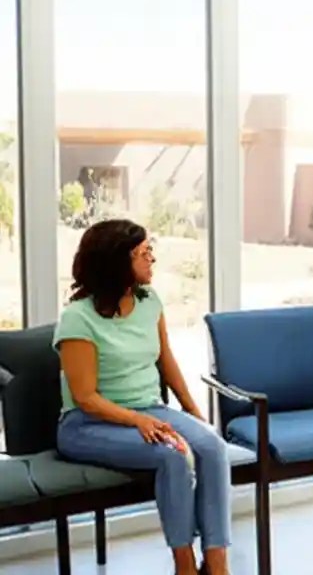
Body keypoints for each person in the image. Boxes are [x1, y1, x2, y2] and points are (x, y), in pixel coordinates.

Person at [54, 220, 231, 575]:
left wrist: (196, 415)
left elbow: (167, 362)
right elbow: (85, 397)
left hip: (149, 409)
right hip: (88, 424)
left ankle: (216, 561)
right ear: (118, 263)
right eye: (143, 253)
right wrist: (137, 420)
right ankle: (184, 564)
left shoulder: (150, 302)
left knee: (212, 447)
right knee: (173, 455)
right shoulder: (78, 318)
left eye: (151, 251)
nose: (152, 259)